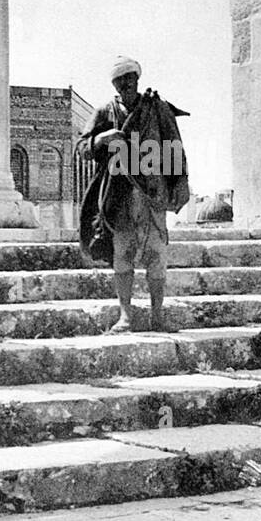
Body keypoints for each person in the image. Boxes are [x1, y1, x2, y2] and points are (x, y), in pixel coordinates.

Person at [81, 57, 188, 333]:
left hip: (153, 193)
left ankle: (157, 315)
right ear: (114, 84)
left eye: (130, 78)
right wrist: (102, 139)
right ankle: (125, 315)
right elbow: (81, 147)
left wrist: (179, 185)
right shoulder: (105, 111)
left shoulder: (157, 107)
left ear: (137, 79)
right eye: (120, 80)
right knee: (123, 253)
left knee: (156, 254)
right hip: (119, 195)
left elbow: (174, 146)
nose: (126, 84)